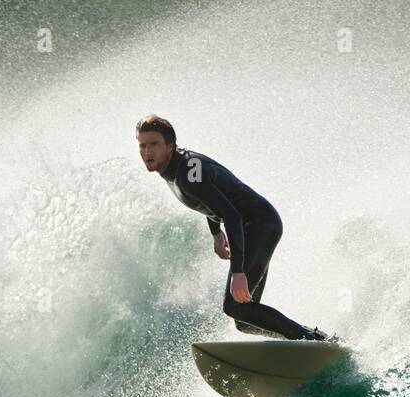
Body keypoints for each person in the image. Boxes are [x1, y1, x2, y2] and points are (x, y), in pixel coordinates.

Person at [135, 114, 329, 342]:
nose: (147, 152)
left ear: (170, 145)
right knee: (243, 320)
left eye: (154, 145)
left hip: (259, 225)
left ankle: (308, 340)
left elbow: (232, 215)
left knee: (234, 306)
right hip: (255, 226)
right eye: (142, 145)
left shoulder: (188, 172)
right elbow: (212, 200)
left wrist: (238, 273)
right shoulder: (177, 166)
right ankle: (309, 336)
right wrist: (216, 232)